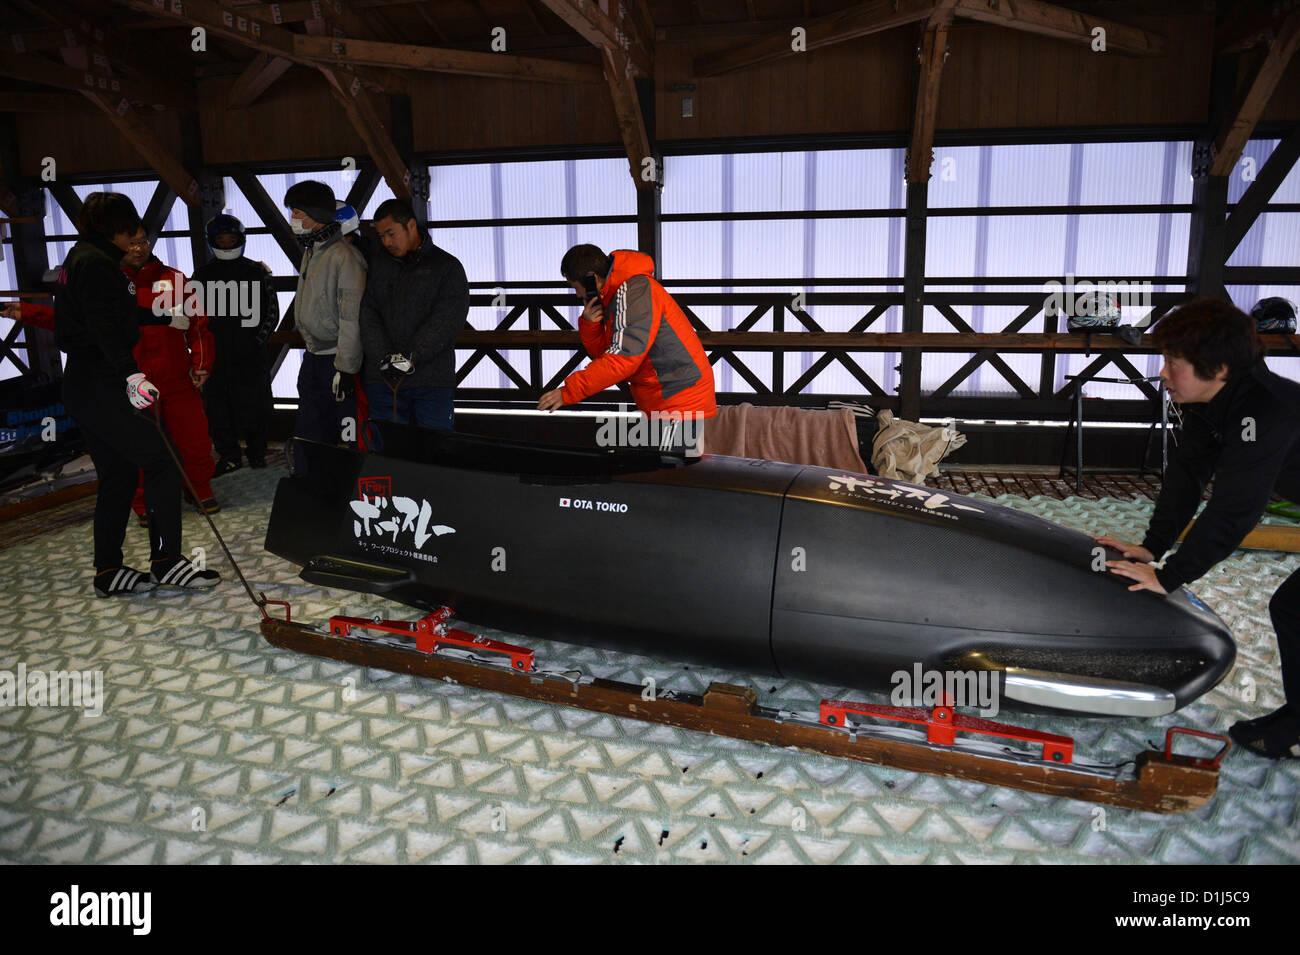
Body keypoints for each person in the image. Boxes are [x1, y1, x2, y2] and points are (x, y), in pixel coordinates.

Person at [1097, 297, 1300, 759]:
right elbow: (1186, 475)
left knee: (1294, 608)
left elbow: (1234, 510)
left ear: (1219, 368)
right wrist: (1152, 548)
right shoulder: (1210, 405)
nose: (1163, 373)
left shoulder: (1263, 414)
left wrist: (1170, 577)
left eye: (1174, 362)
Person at [52, 192, 219, 595]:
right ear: (118, 228)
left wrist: (164, 316)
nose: (136, 238)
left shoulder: (88, 258)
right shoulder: (96, 265)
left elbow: (116, 314)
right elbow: (101, 327)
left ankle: (108, 570)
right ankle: (166, 562)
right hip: (103, 384)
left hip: (87, 385)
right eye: (133, 230)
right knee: (163, 461)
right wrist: (130, 374)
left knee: (120, 474)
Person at [11, 229, 220, 518]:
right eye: (132, 242)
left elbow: (198, 324)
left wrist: (201, 364)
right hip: (127, 383)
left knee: (194, 439)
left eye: (143, 242)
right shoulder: (103, 280)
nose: (138, 248)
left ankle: (199, 489)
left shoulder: (174, 279)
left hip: (175, 379)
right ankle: (143, 502)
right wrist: (29, 312)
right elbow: (74, 324)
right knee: (135, 448)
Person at [538, 244, 716, 452]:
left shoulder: (634, 292)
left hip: (680, 399)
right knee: (662, 474)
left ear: (591, 278)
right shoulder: (615, 297)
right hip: (665, 399)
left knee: (672, 478)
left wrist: (568, 392)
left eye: (575, 286)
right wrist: (590, 324)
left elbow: (622, 361)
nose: (578, 295)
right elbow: (606, 355)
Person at [358, 199, 468, 432]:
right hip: (383, 380)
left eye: (391, 233)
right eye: (381, 236)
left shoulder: (447, 267)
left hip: (431, 381)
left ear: (410, 226)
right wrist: (384, 359)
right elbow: (368, 313)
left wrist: (409, 358)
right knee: (387, 454)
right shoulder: (377, 266)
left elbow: (447, 320)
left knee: (434, 453)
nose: (386, 242)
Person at [283, 180, 366, 471]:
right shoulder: (312, 251)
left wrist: (346, 367)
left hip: (338, 362)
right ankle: (310, 491)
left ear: (316, 214)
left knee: (348, 434)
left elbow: (351, 317)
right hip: (313, 358)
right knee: (309, 433)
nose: (293, 219)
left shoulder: (345, 256)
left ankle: (353, 496)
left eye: (297, 212)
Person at [193, 213, 278, 476]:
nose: (227, 244)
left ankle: (257, 454)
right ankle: (228, 455)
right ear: (212, 241)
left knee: (257, 406)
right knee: (217, 408)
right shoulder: (202, 275)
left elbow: (271, 312)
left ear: (240, 240)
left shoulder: (257, 272)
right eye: (221, 239)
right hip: (216, 357)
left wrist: (256, 342)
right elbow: (194, 316)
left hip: (252, 356)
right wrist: (202, 352)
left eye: (232, 239)